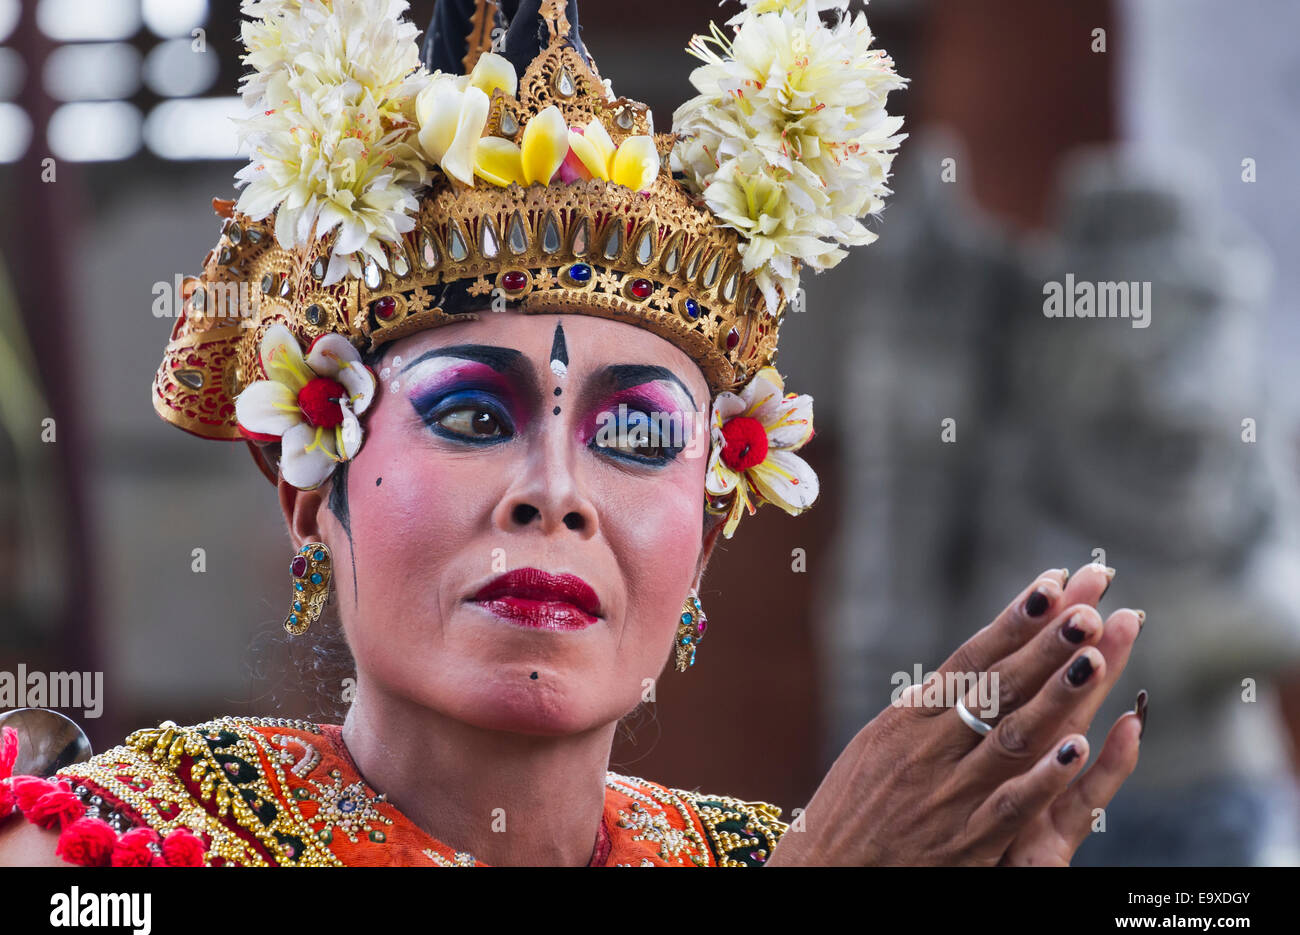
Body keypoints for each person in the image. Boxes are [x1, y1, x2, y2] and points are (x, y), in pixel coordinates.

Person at [0, 0, 1144, 866]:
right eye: (467, 414)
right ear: (310, 492)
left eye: (639, 433)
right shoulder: (108, 851)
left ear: (706, 525)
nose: (553, 492)